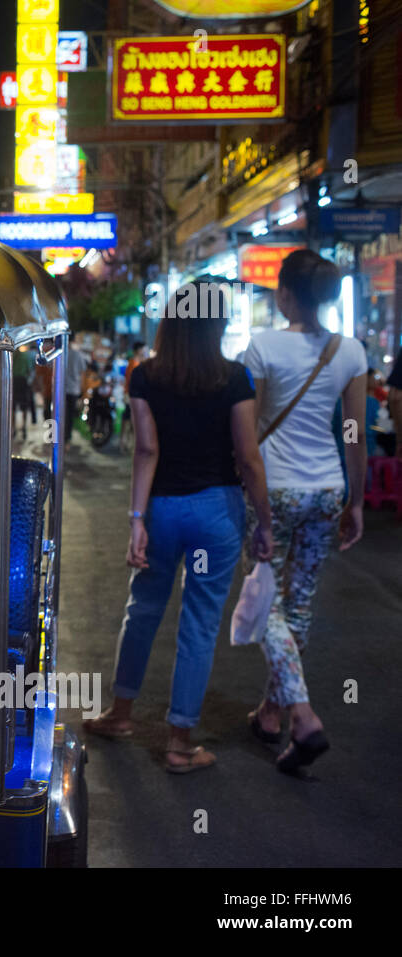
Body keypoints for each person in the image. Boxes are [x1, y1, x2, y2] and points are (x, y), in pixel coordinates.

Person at [84, 281, 274, 773]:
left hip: (163, 510)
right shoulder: (234, 378)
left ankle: (119, 714)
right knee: (198, 624)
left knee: (143, 609)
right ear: (217, 325)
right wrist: (265, 522)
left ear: (171, 321)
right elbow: (248, 458)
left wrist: (136, 521)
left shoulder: (145, 376)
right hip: (216, 512)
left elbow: (147, 451)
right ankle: (179, 742)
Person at [240, 250, 367, 774]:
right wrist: (355, 500)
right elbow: (353, 432)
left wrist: (251, 493)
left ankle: (302, 712)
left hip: (277, 489)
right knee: (300, 603)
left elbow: (252, 428)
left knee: (262, 603)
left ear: (285, 293)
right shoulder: (352, 351)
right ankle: (270, 714)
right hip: (326, 489)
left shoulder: (263, 346)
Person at [119, 341, 148, 453]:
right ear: (139, 350)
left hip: (130, 395)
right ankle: (126, 444)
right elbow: (133, 383)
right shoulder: (134, 365)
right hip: (131, 396)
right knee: (130, 421)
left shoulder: (134, 363)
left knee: (128, 420)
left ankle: (126, 443)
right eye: (144, 350)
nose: (145, 352)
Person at [63, 341, 88, 448]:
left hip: (61, 390)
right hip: (74, 390)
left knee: (60, 415)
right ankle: (67, 439)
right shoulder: (78, 355)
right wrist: (82, 390)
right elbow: (83, 373)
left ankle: (57, 439)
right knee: (69, 416)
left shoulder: (60, 353)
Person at [12, 345, 37, 438]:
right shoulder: (25, 356)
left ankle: (13, 428)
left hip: (14, 382)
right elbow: (30, 370)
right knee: (24, 406)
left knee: (13, 407)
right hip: (23, 382)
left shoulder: (12, 355)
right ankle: (24, 427)